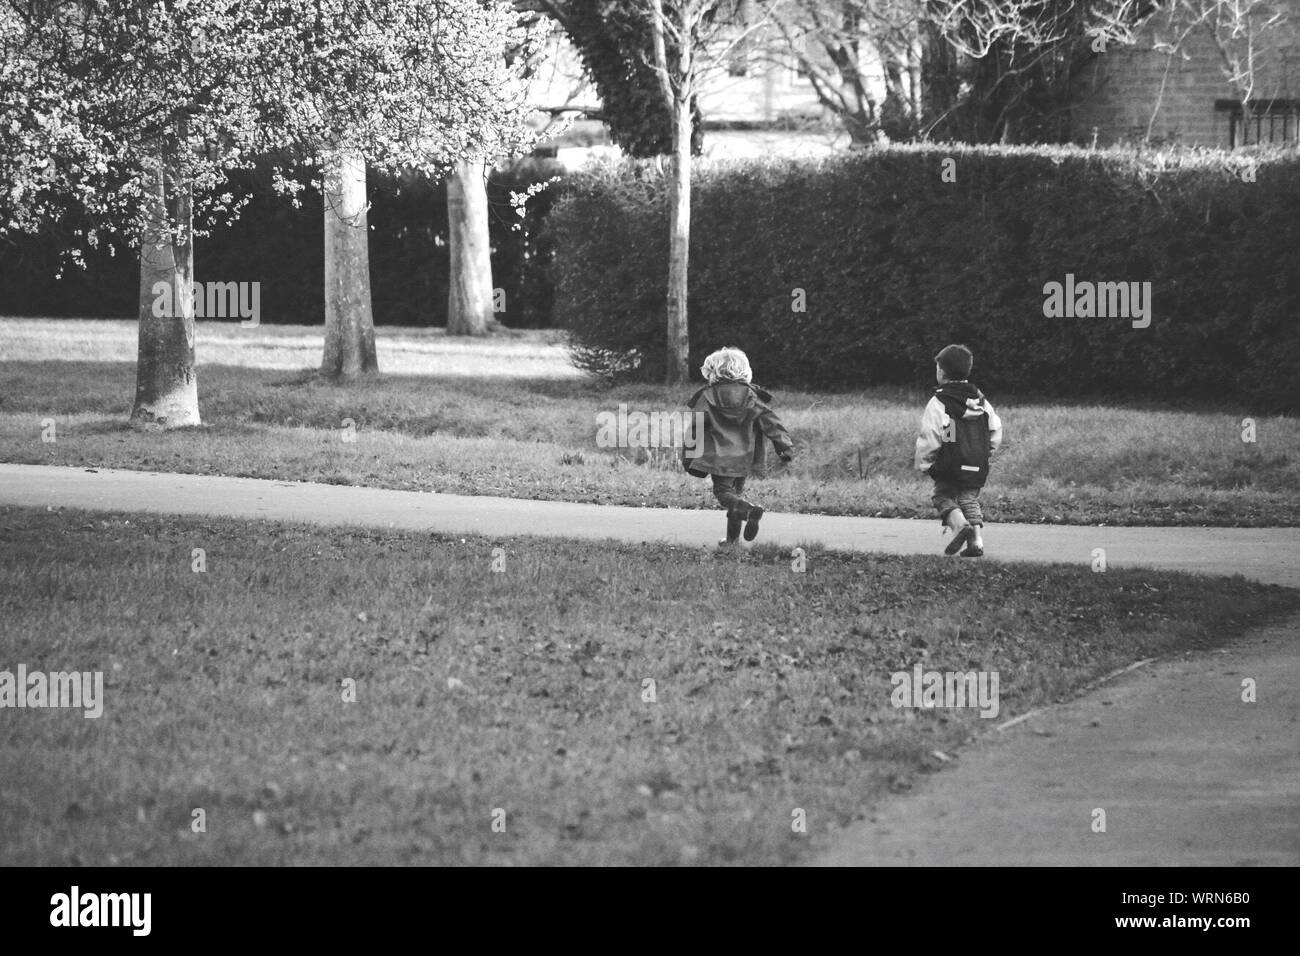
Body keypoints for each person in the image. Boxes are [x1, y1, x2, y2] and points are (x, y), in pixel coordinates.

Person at [683, 347, 795, 547]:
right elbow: (771, 422)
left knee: (724, 493)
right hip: (745, 456)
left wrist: (688, 455)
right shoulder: (752, 396)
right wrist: (784, 445)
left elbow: (696, 427)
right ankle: (732, 541)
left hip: (719, 457)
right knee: (735, 496)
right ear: (744, 370)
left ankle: (748, 511)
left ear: (712, 372)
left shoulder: (707, 396)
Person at [914, 344, 1003, 557]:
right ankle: (976, 543)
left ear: (942, 372)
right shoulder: (981, 400)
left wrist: (925, 462)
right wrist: (986, 450)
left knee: (943, 495)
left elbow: (931, 434)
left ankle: (959, 525)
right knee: (969, 498)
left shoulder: (940, 401)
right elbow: (995, 428)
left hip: (950, 460)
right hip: (977, 460)